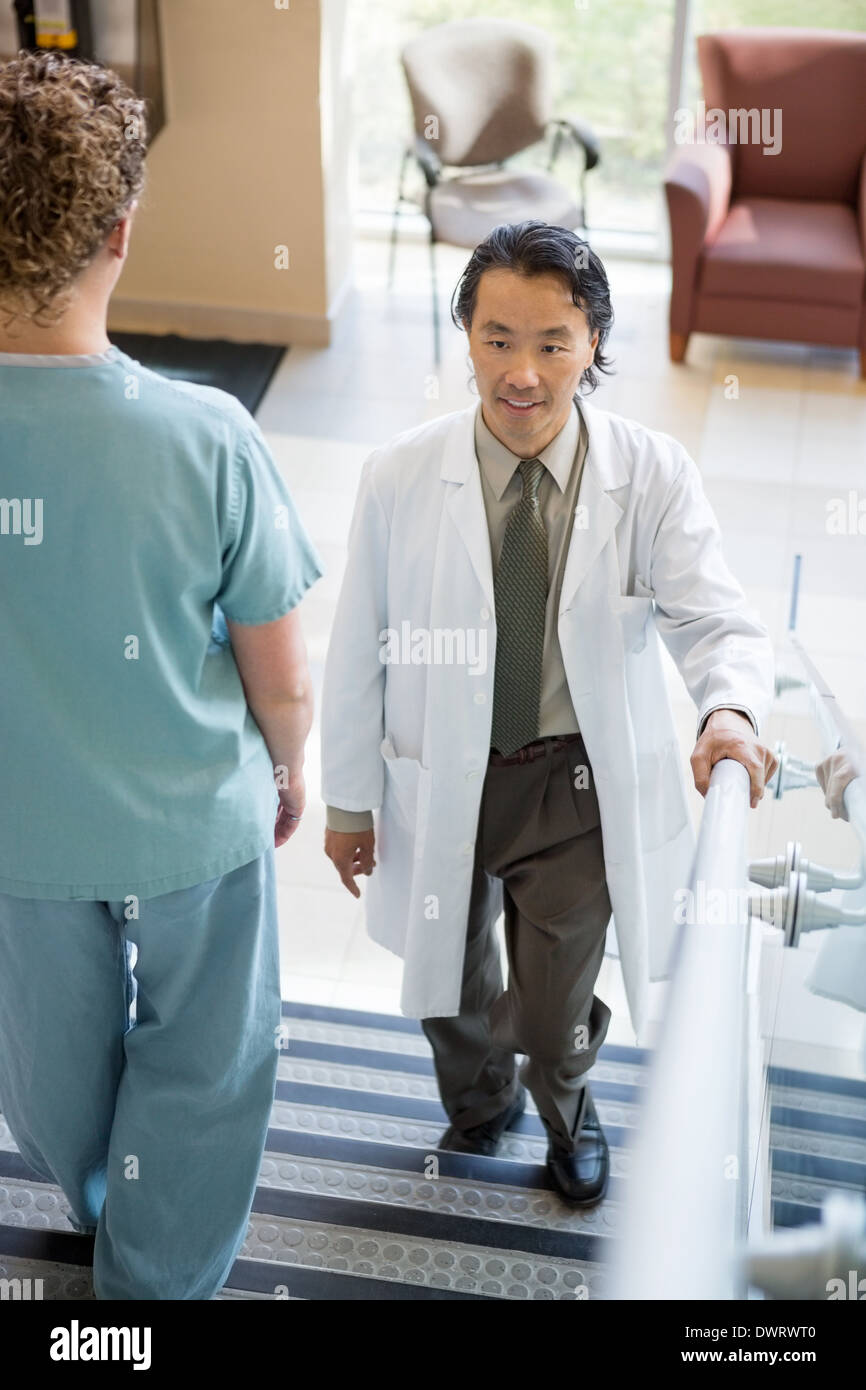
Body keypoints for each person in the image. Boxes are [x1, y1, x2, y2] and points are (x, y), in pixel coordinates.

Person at [320, 219, 778, 1207]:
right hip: (437, 771)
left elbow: (713, 617)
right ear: (465, 335)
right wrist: (349, 802)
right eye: (495, 339)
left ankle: (566, 1108)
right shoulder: (399, 475)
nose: (519, 373)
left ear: (593, 345)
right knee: (444, 977)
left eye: (550, 343)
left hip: (569, 785)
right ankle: (478, 1099)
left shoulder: (647, 474)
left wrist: (727, 711)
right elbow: (356, 646)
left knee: (553, 998)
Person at [0, 52, 323, 1298]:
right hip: (192, 822)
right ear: (122, 233)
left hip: (20, 833)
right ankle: (154, 1284)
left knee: (47, 1053)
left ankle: (93, 1196)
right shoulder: (208, 438)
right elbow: (278, 669)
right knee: (209, 1053)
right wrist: (289, 764)